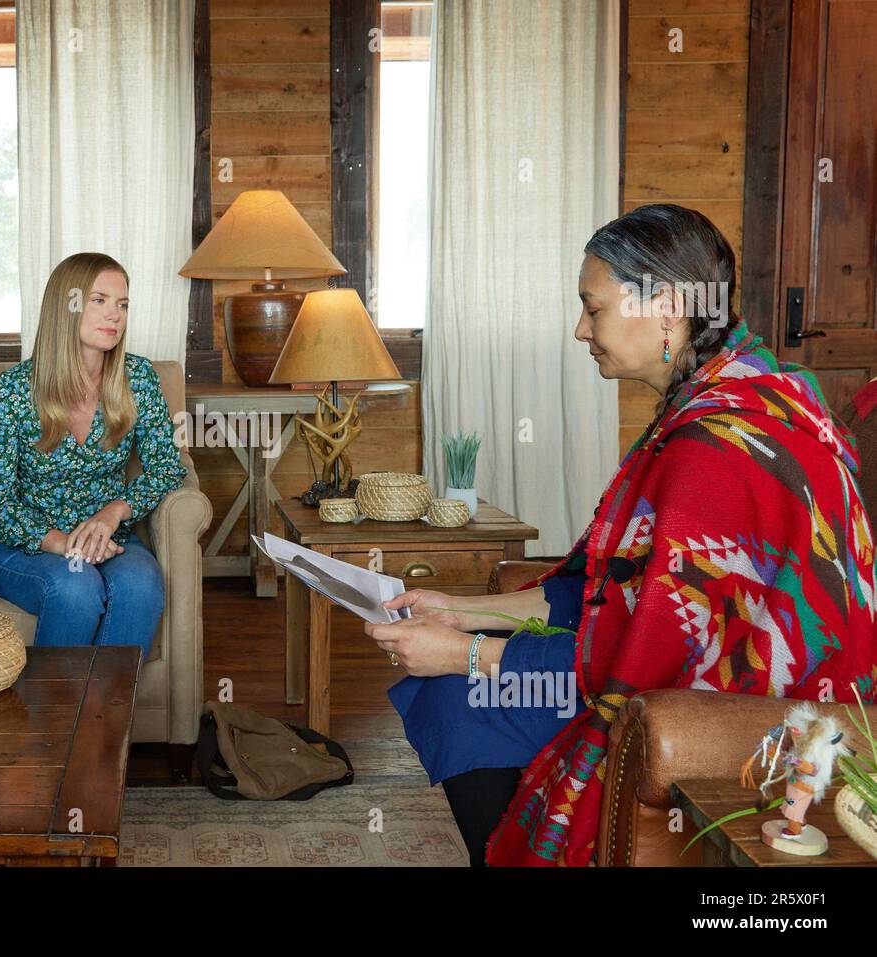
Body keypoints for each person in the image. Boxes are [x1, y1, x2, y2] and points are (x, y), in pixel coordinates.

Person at [366, 204, 877, 867]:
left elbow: (632, 665)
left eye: (593, 307)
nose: (581, 329)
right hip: (697, 685)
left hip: (746, 719)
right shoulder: (729, 395)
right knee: (457, 687)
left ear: (665, 304)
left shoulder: (711, 453)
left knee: (458, 692)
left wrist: (463, 653)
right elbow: (609, 591)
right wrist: (461, 611)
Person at [0, 252, 186, 661]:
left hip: (112, 541)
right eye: (100, 300)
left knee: (141, 586)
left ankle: (104, 723)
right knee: (76, 588)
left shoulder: (138, 378)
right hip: (30, 549)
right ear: (66, 306)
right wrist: (64, 544)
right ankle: (52, 723)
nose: (115, 315)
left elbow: (167, 467)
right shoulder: (13, 390)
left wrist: (113, 513)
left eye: (123, 305)